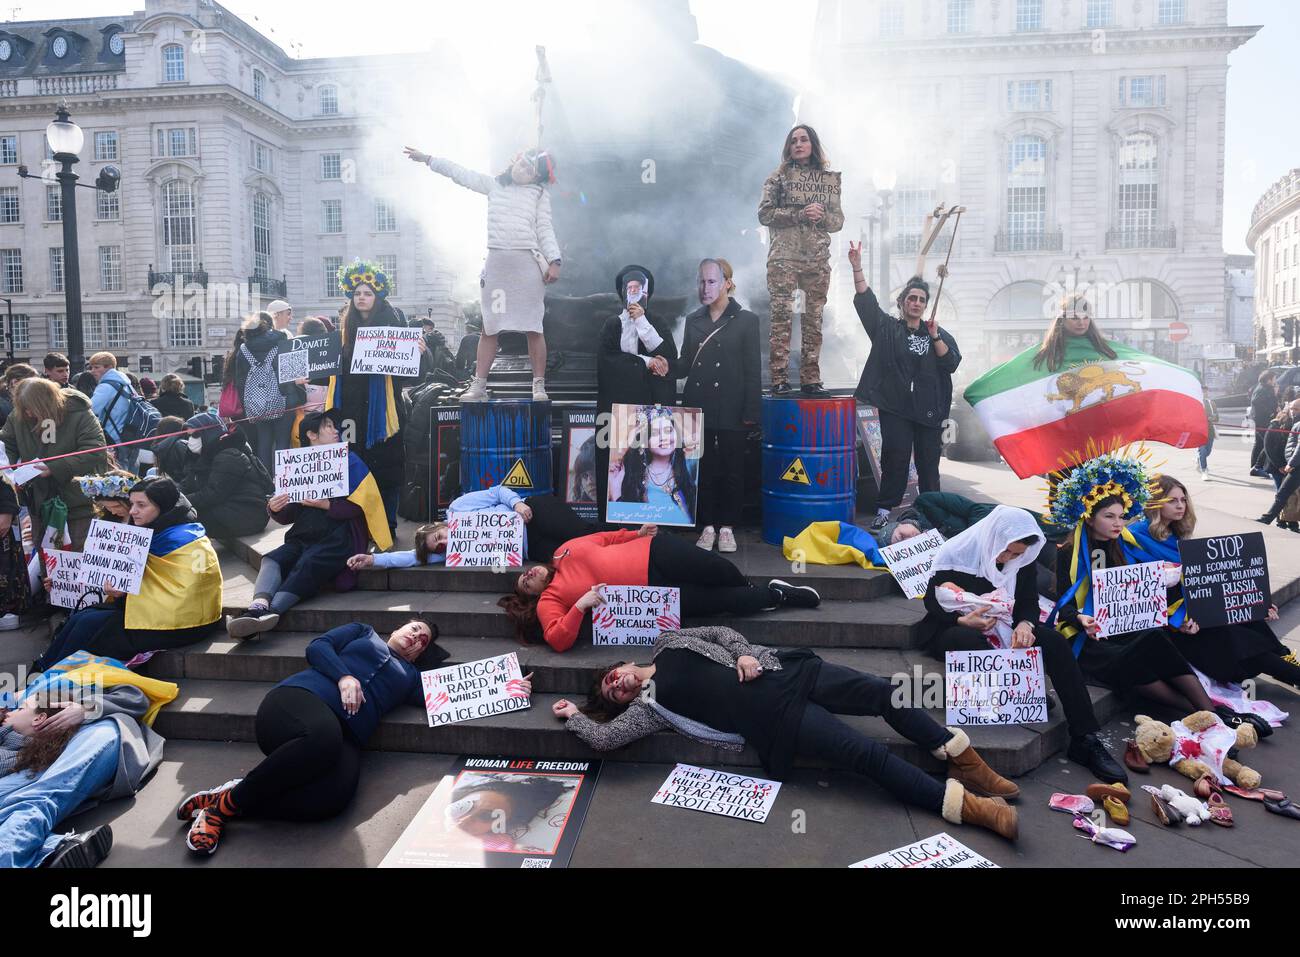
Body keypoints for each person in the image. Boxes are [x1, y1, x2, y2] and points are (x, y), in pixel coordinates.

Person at [552, 625, 1018, 840]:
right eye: (614, 696)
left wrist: (742, 654)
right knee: (867, 757)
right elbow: (605, 740)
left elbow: (720, 631)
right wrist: (575, 714)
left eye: (613, 678)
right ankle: (971, 809)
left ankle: (962, 758)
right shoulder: (649, 709)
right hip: (780, 720)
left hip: (785, 673)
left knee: (884, 692)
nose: (618, 687)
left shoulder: (669, 642)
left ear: (621, 664)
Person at [177, 619, 450, 855]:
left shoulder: (412, 677)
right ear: (399, 627)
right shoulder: (362, 632)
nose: (415, 636)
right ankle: (218, 813)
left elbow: (451, 693)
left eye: (422, 640)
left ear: (418, 655)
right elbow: (318, 647)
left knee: (332, 799)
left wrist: (492, 679)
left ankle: (230, 798)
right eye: (414, 628)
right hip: (298, 702)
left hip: (346, 736)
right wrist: (344, 676)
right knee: (323, 737)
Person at [1046, 454, 1266, 733]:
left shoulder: (1123, 545)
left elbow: (1143, 591)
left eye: (1122, 516)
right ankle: (1209, 713)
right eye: (1109, 517)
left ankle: (1210, 711)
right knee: (1130, 661)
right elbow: (1064, 602)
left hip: (1123, 625)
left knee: (1154, 639)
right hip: (1091, 636)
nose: (1118, 523)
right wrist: (1080, 619)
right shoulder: (1070, 552)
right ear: (1090, 519)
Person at [920, 506, 1128, 782]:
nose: (1008, 558)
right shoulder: (955, 553)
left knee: (1054, 642)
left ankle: (1085, 737)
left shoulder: (1022, 559)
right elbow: (933, 601)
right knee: (966, 640)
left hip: (1006, 622)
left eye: (1016, 554)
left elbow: (1028, 601)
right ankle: (1015, 694)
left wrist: (1025, 624)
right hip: (955, 626)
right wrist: (964, 621)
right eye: (1006, 551)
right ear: (993, 539)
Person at [498, 526, 820, 653]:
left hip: (653, 551)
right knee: (723, 602)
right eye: (526, 582)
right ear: (534, 594)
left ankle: (753, 589)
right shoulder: (550, 601)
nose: (529, 573)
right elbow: (557, 639)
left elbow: (607, 539)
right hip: (652, 601)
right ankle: (777, 594)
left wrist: (634, 532)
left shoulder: (563, 549)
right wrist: (580, 606)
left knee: (717, 568)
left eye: (525, 572)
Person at [405, 145, 561, 402]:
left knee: (534, 327)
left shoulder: (539, 194)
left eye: (531, 170)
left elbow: (545, 228)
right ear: (515, 161)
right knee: (490, 327)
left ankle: (538, 386)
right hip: (498, 263)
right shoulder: (494, 185)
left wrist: (554, 260)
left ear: (537, 177)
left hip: (527, 265)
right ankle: (479, 386)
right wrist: (429, 160)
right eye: (522, 164)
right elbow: (461, 174)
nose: (523, 170)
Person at [0, 651, 178, 868]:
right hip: (46, 758)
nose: (11, 712)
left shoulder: (58, 691)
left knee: (38, 798)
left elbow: (134, 697)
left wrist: (85, 709)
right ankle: (55, 849)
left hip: (98, 728)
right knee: (29, 799)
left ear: (40, 717)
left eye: (18, 708)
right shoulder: (20, 741)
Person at [226, 411, 392, 639]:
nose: (336, 431)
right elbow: (289, 515)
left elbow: (364, 507)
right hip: (303, 535)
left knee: (308, 562)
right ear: (312, 435)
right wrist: (275, 507)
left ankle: (272, 613)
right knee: (272, 559)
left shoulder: (350, 461)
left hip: (339, 537)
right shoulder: (297, 464)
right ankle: (258, 607)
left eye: (335, 426)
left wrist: (327, 505)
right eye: (328, 426)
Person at [1129, 474, 1298, 693]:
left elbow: (1206, 582)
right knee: (1232, 636)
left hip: (1194, 609)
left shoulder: (1175, 533)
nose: (1181, 506)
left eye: (1183, 500)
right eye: (1173, 501)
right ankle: (1289, 671)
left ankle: (1285, 663)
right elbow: (1138, 593)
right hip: (1168, 622)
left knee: (1247, 619)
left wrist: (1254, 604)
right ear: (1155, 502)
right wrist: (1175, 619)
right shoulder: (1134, 538)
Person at [36, 478, 223, 668]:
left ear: (163, 505)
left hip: (183, 624)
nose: (133, 511)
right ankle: (43, 671)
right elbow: (108, 571)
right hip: (162, 613)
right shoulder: (160, 529)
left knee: (88, 628)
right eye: (132, 503)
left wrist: (124, 591)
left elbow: (187, 594)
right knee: (82, 618)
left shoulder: (181, 539)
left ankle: (45, 676)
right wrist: (61, 580)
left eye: (141, 505)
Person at [849, 243, 960, 526]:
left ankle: (933, 513)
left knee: (928, 464)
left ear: (925, 305)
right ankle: (885, 511)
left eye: (922, 299)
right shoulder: (886, 329)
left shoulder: (937, 332)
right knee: (895, 458)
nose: (917, 303)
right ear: (902, 303)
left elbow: (951, 364)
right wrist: (857, 266)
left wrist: (935, 337)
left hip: (929, 411)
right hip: (896, 408)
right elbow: (865, 302)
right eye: (912, 298)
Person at [671, 258, 761, 553]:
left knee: (734, 469)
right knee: (704, 468)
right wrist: (664, 365)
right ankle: (707, 525)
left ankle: (727, 528)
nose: (704, 288)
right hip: (700, 405)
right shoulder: (693, 320)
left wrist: (751, 412)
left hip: (733, 406)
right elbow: (685, 364)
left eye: (711, 282)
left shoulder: (747, 320)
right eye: (701, 281)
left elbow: (752, 370)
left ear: (727, 284)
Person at [327, 260, 423, 529]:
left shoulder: (394, 326)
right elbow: (334, 373)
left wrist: (419, 354)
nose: (361, 297)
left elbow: (412, 375)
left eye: (367, 293)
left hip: (384, 415)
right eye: (357, 293)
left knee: (387, 471)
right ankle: (358, 526)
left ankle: (387, 524)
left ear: (377, 296)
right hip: (350, 413)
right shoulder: (344, 333)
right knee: (355, 469)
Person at [757, 125, 843, 397]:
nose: (798, 144)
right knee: (781, 319)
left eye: (804, 139)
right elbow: (765, 214)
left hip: (816, 260)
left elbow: (838, 221)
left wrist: (822, 216)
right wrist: (800, 214)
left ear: (813, 144)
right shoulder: (778, 178)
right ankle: (779, 379)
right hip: (784, 259)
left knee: (813, 320)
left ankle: (811, 379)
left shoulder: (827, 181)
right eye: (793, 140)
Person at [347, 484, 594, 571]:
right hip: (532, 547)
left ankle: (629, 534)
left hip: (533, 515)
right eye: (439, 547)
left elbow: (497, 491)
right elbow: (411, 559)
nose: (444, 543)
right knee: (579, 553)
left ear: (439, 525)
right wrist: (373, 561)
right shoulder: (457, 551)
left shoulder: (457, 509)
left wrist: (517, 504)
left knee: (582, 533)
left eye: (440, 536)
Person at [596, 265, 678, 511]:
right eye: (628, 289)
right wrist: (644, 363)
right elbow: (608, 363)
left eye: (638, 289)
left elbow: (667, 358)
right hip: (617, 408)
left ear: (646, 293)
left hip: (651, 410)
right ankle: (613, 521)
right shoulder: (612, 325)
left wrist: (641, 322)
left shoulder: (658, 323)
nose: (633, 293)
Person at [1, 377, 109, 550]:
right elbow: (6, 446)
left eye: (31, 408)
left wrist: (54, 467)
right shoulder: (18, 415)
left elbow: (94, 450)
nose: (28, 413)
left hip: (76, 501)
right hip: (38, 499)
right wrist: (9, 473)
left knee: (78, 552)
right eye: (24, 408)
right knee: (46, 554)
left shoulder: (79, 413)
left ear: (44, 403)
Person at [153, 412, 273, 541]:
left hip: (247, 515)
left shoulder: (228, 456)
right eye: (189, 436)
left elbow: (213, 494)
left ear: (207, 434)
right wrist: (166, 497)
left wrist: (177, 502)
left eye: (195, 435)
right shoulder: (206, 454)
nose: (191, 441)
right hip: (230, 509)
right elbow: (188, 484)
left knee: (182, 517)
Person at [606, 406, 699, 527]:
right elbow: (626, 525)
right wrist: (616, 492)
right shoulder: (632, 476)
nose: (664, 437)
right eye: (655, 433)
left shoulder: (690, 469)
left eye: (668, 430)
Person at [233, 312, 294, 471]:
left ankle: (267, 484)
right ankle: (284, 480)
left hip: (257, 403)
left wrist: (248, 405)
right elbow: (290, 372)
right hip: (283, 400)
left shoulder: (244, 349)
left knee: (264, 442)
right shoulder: (281, 343)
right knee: (283, 442)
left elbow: (240, 381)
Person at [88, 352, 149, 472]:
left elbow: (90, 410)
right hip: (130, 436)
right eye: (91, 367)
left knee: (118, 477)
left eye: (96, 367)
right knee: (131, 475)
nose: (92, 371)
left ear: (109, 367)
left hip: (114, 439)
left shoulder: (106, 386)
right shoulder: (126, 384)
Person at [1257, 398, 1300, 528]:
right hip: (1293, 465)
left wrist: (1291, 464)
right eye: (1291, 408)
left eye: (1296, 409)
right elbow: (1268, 444)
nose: (1293, 411)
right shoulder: (1281, 422)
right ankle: (1268, 519)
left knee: (1283, 493)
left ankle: (1267, 519)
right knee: (1284, 493)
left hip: (1296, 466)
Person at [74, 469, 139, 522]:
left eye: (117, 506)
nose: (113, 512)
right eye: (108, 507)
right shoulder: (102, 519)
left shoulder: (145, 520)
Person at [1249, 369, 1278, 477]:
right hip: (1262, 420)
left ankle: (1255, 467)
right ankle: (1257, 466)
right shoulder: (1262, 388)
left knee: (1260, 444)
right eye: (1274, 378)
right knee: (1268, 443)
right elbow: (1256, 402)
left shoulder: (1265, 387)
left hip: (1262, 419)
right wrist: (1270, 412)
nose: (1275, 380)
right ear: (1268, 379)